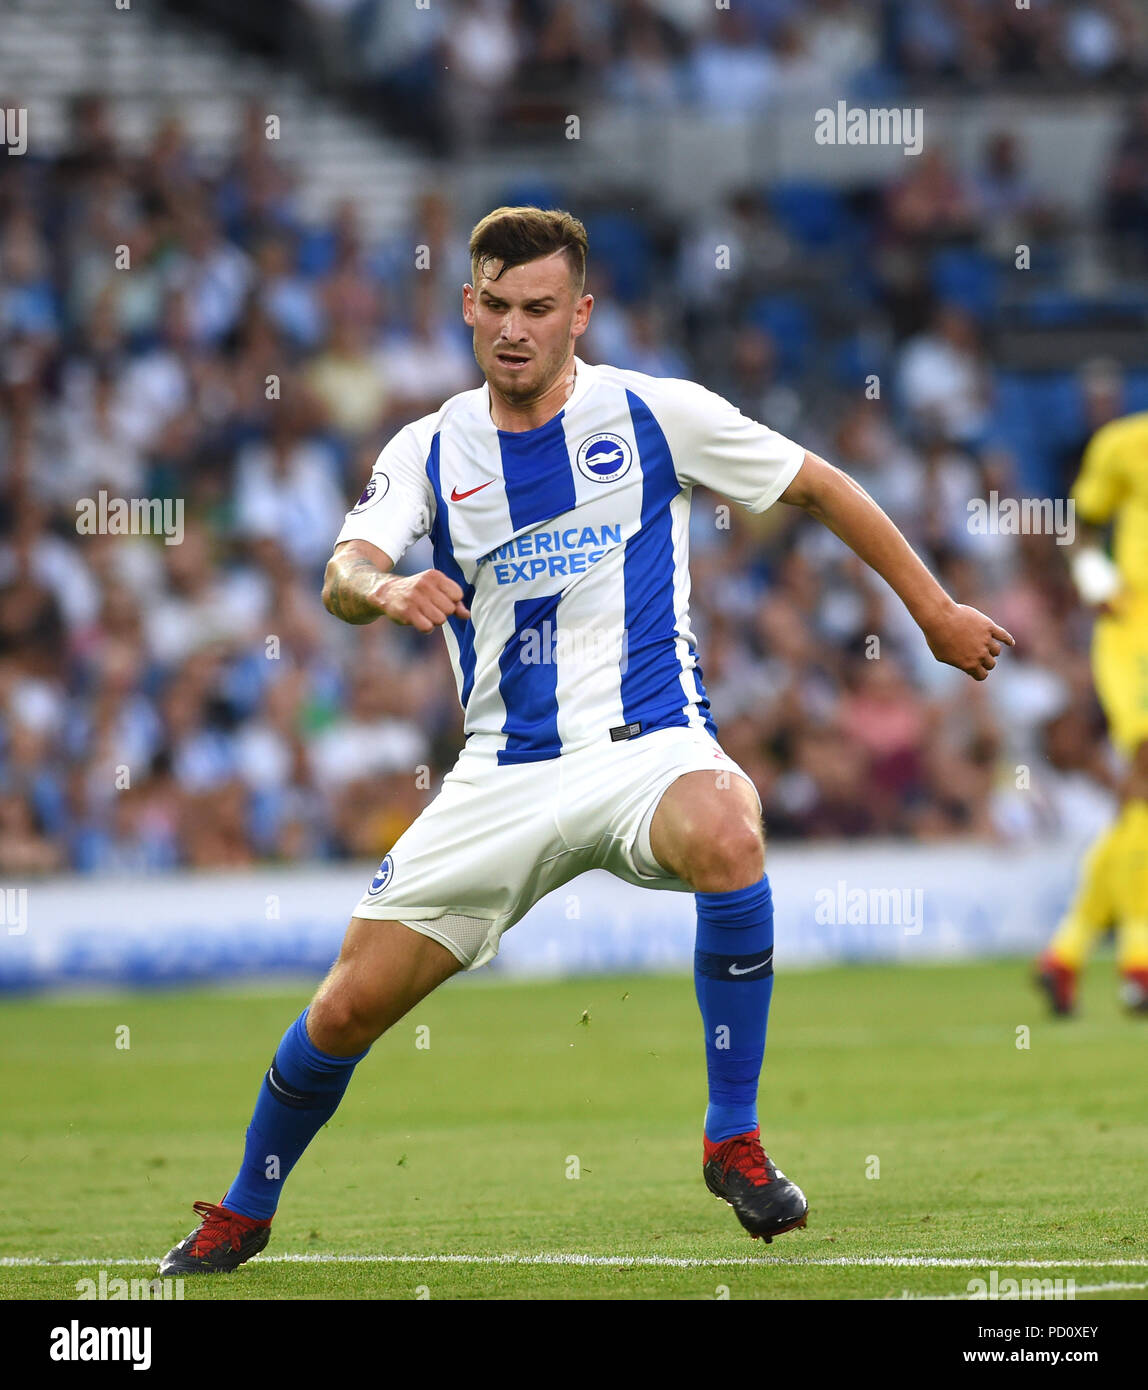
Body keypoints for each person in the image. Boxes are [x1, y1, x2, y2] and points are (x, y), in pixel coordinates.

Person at [159, 207, 1013, 1273]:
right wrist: (381, 586)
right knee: (342, 1008)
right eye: (496, 306)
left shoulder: (656, 412)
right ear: (468, 306)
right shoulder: (427, 446)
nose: (514, 329)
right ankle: (244, 1208)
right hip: (500, 775)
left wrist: (931, 613)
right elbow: (340, 572)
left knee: (727, 831)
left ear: (580, 314)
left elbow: (817, 485)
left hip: (645, 747)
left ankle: (731, 1138)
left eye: (539, 308)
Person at [1036, 411, 1148, 1015]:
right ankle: (1139, 964)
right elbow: (1075, 523)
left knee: (1139, 801)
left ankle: (1066, 953)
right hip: (1135, 632)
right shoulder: (1125, 442)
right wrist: (1091, 575)